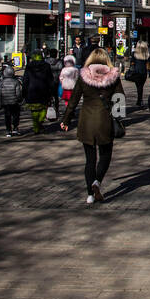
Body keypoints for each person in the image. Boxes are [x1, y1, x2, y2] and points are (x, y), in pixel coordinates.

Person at [60, 47, 123, 205]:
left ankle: (89, 194)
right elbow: (120, 98)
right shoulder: (113, 76)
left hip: (86, 121)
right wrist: (119, 117)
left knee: (89, 160)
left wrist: (66, 120)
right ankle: (97, 182)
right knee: (105, 155)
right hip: (105, 121)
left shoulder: (83, 76)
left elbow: (73, 100)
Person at [23, 52, 56, 134]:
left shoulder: (29, 66)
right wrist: (52, 90)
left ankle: (36, 128)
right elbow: (50, 79)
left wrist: (24, 91)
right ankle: (40, 122)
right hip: (44, 90)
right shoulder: (46, 66)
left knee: (34, 110)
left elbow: (25, 79)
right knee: (43, 108)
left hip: (31, 90)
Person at [0, 62, 24, 137]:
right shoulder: (16, 82)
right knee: (15, 115)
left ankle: (8, 130)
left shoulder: (1, 82)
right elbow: (18, 93)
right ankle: (15, 128)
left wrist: (0, 100)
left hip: (5, 102)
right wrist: (19, 99)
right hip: (14, 101)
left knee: (7, 116)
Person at [126, 39, 150, 106]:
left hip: (137, 72)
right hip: (143, 72)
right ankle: (140, 100)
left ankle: (139, 100)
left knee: (138, 87)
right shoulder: (146, 54)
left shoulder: (134, 54)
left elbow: (132, 63)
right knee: (141, 86)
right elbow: (148, 64)